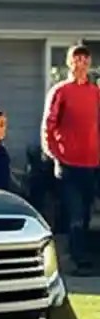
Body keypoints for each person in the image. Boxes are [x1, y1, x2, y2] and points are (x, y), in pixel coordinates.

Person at [42, 44, 100, 274]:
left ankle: (82, 257)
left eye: (85, 60)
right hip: (68, 163)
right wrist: (54, 153)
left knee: (86, 213)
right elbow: (49, 124)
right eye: (77, 59)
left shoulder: (95, 93)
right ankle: (77, 260)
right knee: (75, 213)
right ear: (69, 63)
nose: (81, 64)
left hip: (91, 162)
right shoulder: (61, 91)